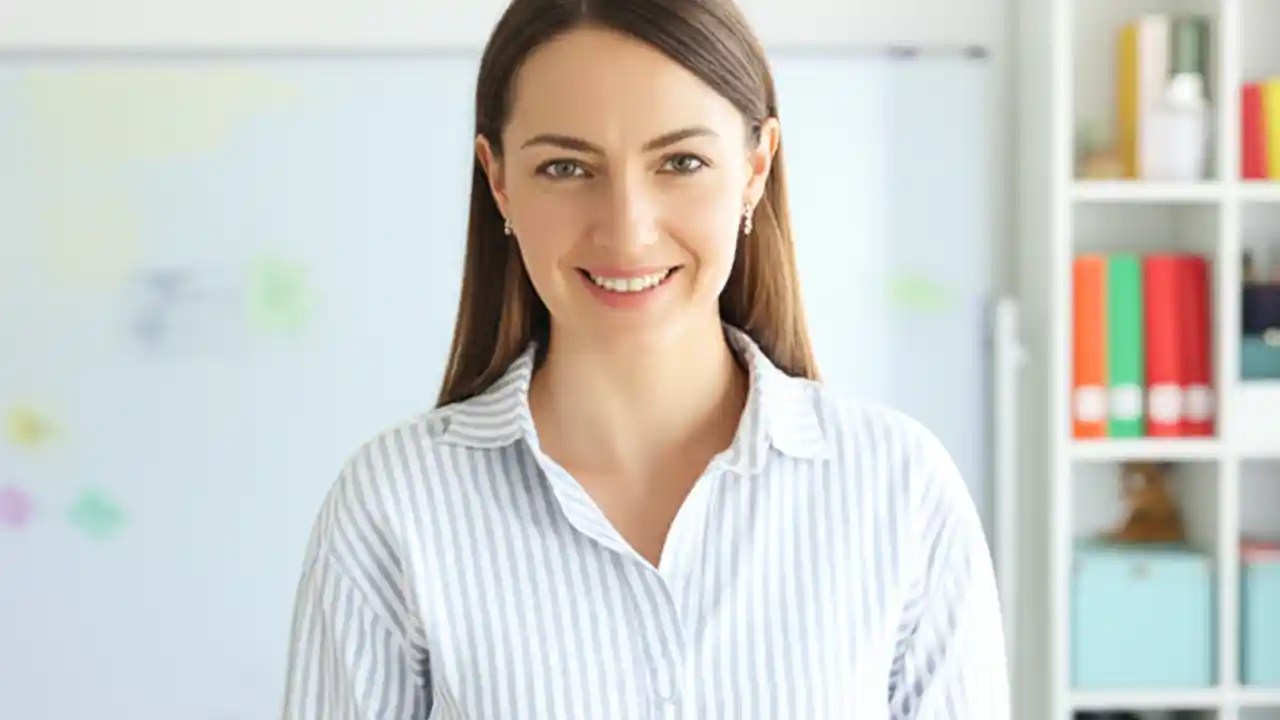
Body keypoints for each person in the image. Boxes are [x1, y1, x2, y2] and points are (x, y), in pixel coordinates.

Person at [280, 0, 1010, 717]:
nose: (627, 231)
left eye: (681, 161)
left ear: (755, 168)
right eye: (566, 168)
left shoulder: (900, 491)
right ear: (498, 179)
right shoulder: (393, 506)